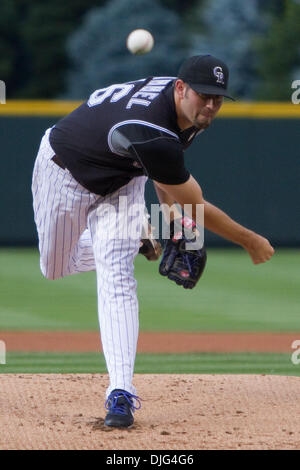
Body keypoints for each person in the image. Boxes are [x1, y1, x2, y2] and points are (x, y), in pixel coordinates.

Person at [31, 54, 274, 429]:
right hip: (66, 172)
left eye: (218, 97)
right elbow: (195, 201)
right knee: (54, 267)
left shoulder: (189, 112)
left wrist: (169, 217)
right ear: (180, 89)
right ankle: (137, 239)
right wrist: (250, 240)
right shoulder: (151, 127)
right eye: (203, 95)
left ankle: (121, 393)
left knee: (117, 274)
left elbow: (162, 172)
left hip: (124, 178)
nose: (210, 104)